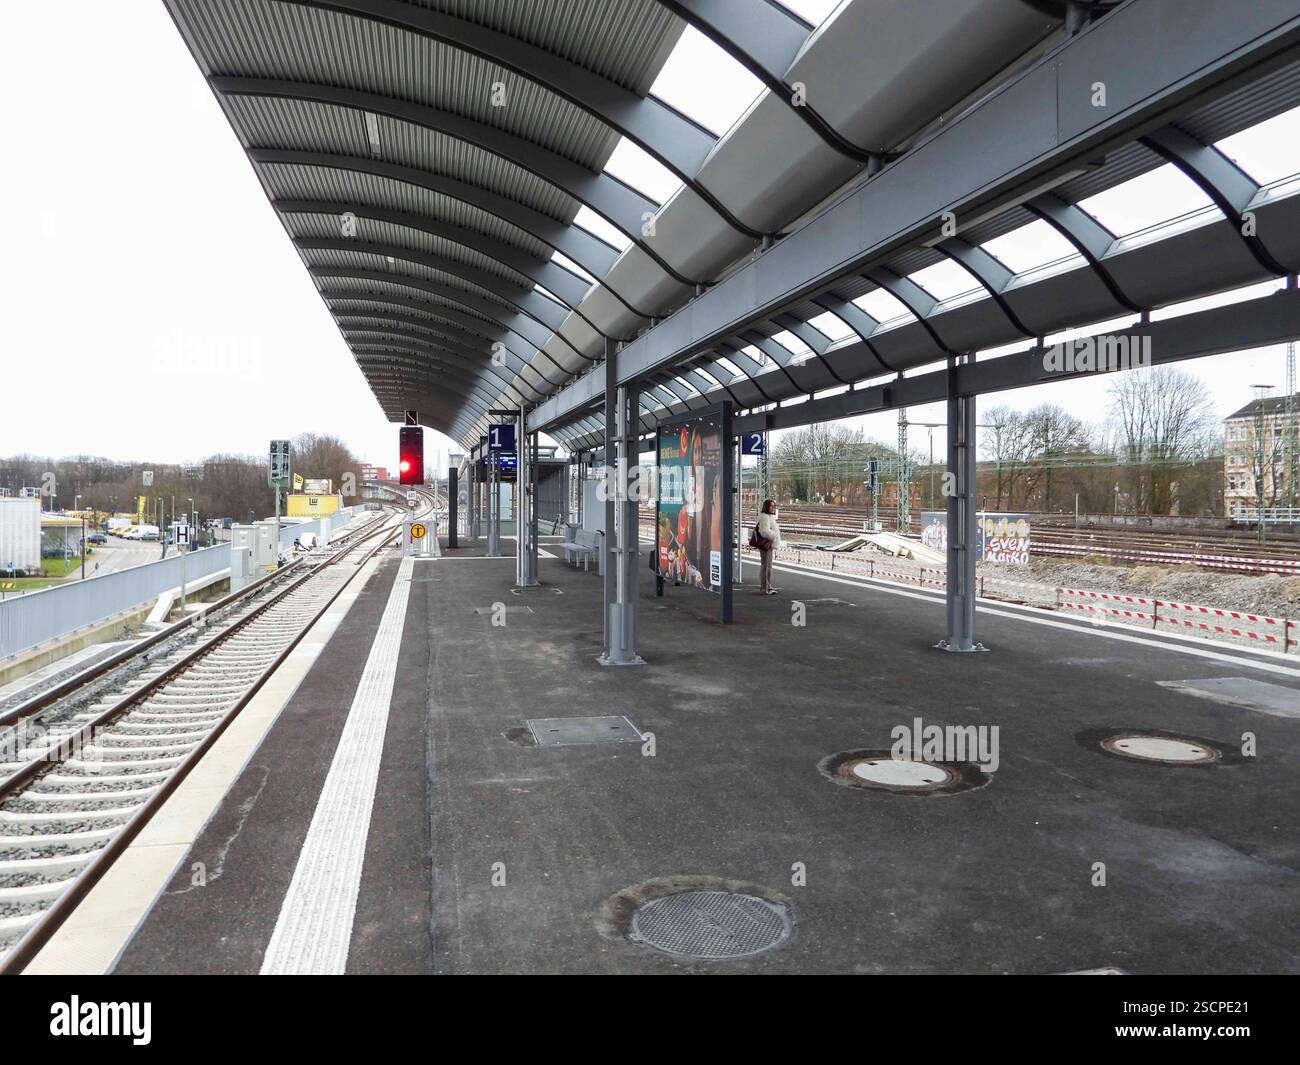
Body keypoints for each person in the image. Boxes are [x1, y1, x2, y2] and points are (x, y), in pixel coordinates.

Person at [755, 498, 782, 595]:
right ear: (766, 507)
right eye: (771, 506)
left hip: (768, 544)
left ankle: (767, 586)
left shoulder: (767, 516)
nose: (773, 508)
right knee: (767, 566)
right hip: (766, 544)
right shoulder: (765, 517)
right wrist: (774, 536)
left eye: (774, 506)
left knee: (766, 566)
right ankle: (765, 588)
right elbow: (764, 531)